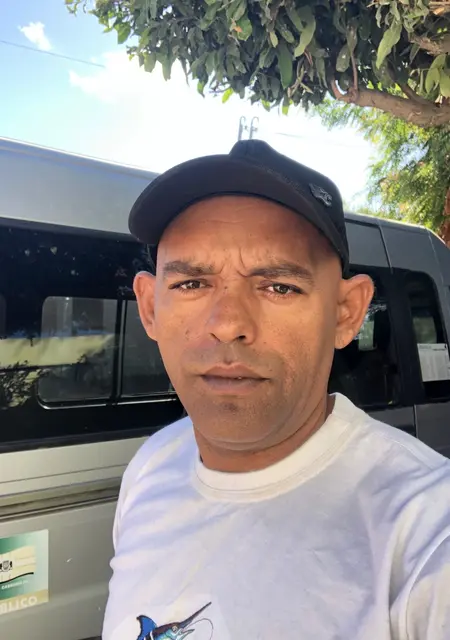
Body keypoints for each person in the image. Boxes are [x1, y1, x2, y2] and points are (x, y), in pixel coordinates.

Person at [102, 140, 450, 640]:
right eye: (192, 284)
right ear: (150, 308)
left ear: (346, 313)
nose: (228, 324)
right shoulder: (150, 469)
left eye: (279, 287)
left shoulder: (426, 538)